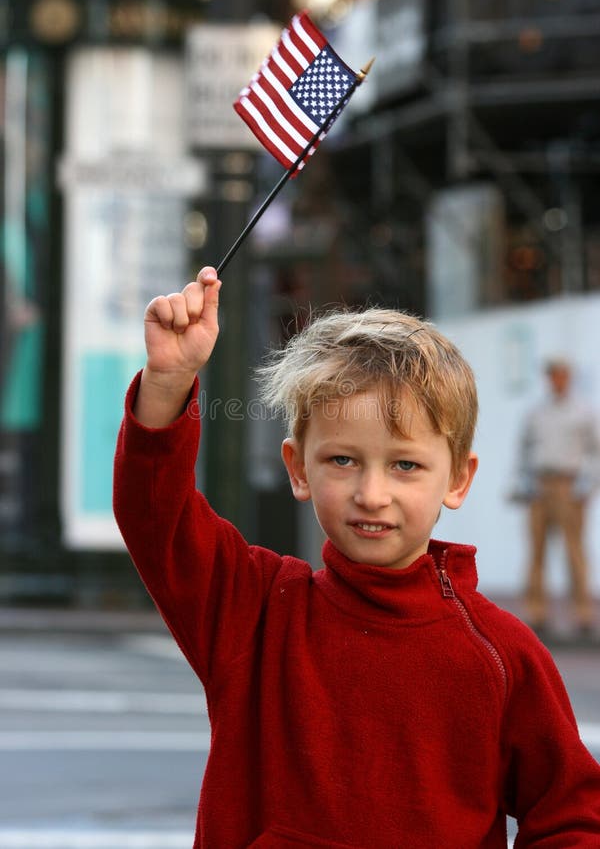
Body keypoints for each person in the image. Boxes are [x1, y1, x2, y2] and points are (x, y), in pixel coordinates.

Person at [113, 267, 600, 848]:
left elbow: (571, 817)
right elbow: (154, 516)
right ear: (298, 467)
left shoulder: (503, 654)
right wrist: (167, 384)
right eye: (342, 461)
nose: (372, 494)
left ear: (458, 478)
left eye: (405, 465)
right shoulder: (256, 610)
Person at [514, 358, 600, 634]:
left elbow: (596, 451)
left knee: (574, 552)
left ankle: (583, 615)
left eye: (561, 375)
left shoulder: (583, 411)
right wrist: (523, 482)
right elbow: (523, 450)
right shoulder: (537, 412)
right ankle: (536, 613)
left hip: (568, 485)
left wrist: (588, 484)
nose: (557, 380)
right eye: (552, 375)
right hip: (540, 485)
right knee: (536, 551)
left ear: (569, 377)